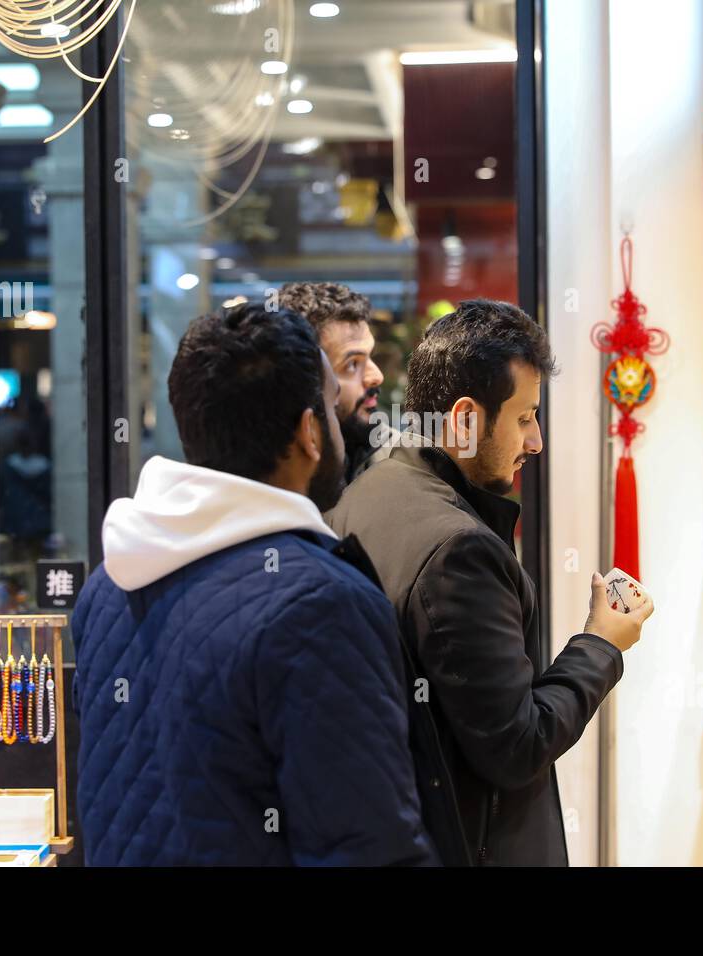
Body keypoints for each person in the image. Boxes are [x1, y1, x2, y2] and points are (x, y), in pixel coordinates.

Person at [71, 303, 436, 866]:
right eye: (332, 415)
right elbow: (371, 847)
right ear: (310, 432)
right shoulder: (322, 605)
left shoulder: (107, 587)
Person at [327, 299, 653, 866]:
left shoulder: (366, 493)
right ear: (465, 420)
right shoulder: (459, 551)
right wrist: (602, 643)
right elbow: (518, 744)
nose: (536, 441)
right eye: (525, 417)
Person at [277, 281, 393, 482]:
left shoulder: (405, 461)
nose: (376, 376)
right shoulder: (269, 476)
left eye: (370, 356)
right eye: (352, 365)